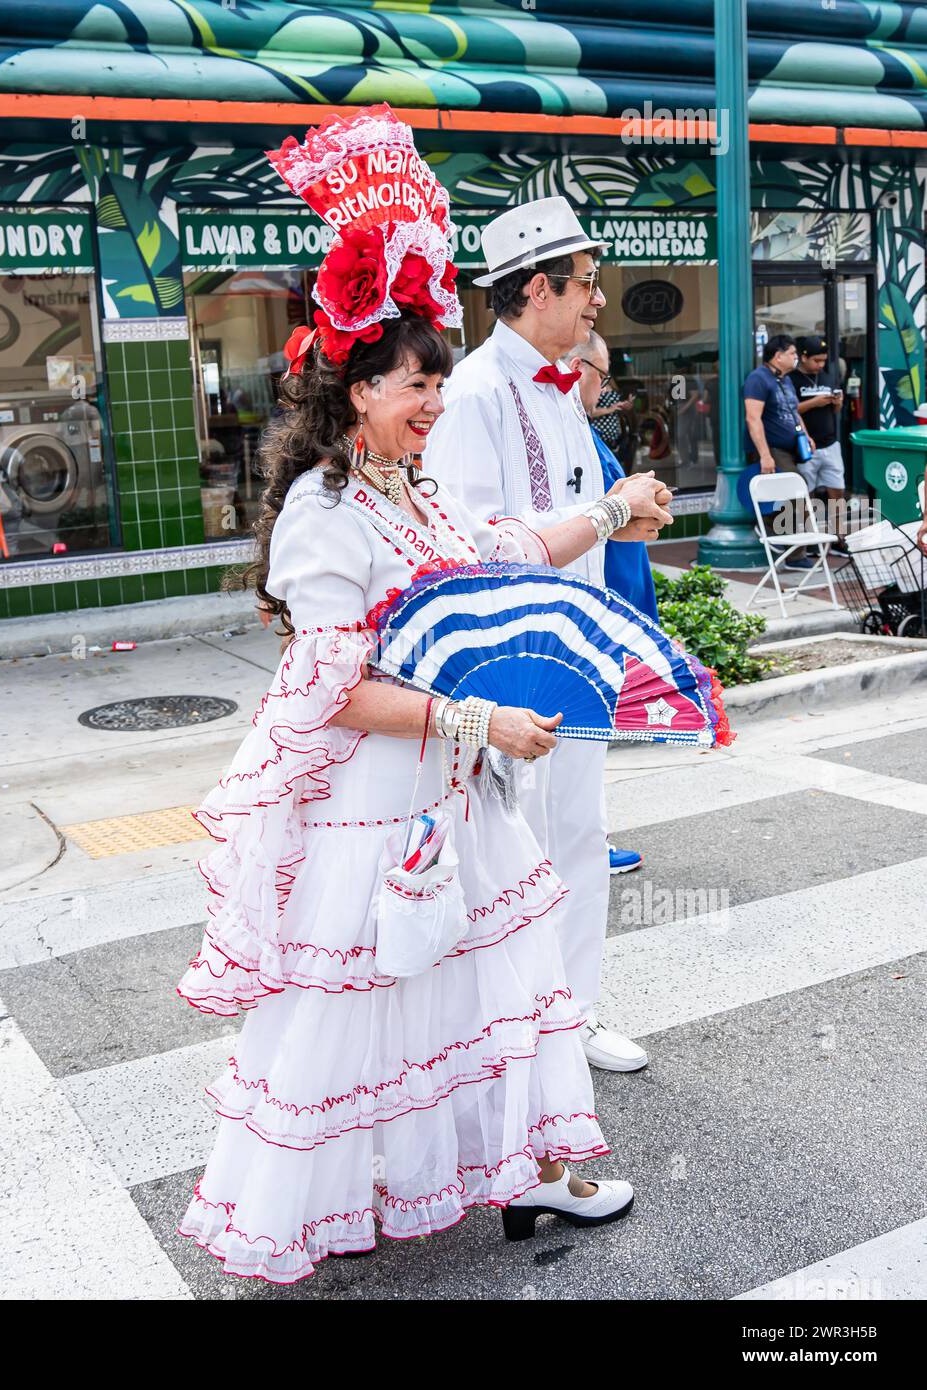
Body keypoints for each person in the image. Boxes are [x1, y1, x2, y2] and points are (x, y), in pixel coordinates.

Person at [175, 106, 671, 1285]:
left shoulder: (410, 493)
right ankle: (324, 1204)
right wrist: (478, 719)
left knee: (506, 977)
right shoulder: (325, 515)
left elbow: (502, 551)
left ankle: (530, 1173)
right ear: (352, 392)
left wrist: (604, 513)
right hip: (380, 801)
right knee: (356, 1012)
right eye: (413, 388)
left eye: (440, 385)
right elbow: (337, 694)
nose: (433, 405)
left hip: (459, 792)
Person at [424, 195, 673, 1074]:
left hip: (579, 657)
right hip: (509, 669)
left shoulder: (564, 389)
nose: (597, 300)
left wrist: (624, 522)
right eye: (586, 284)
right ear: (537, 289)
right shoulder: (472, 395)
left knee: (578, 834)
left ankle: (572, 1014)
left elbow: (573, 517)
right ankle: (511, 1032)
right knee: (512, 849)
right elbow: (473, 543)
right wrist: (609, 509)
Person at [571, 329, 659, 879]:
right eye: (602, 376)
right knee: (584, 734)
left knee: (590, 735)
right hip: (602, 592)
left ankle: (588, 840)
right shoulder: (567, 429)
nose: (605, 390)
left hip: (615, 583)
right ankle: (587, 844)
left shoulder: (578, 429)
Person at [743, 334, 816, 567]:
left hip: (792, 446)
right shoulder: (758, 379)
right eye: (793, 354)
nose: (796, 358)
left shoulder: (785, 379)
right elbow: (753, 418)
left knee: (797, 495)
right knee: (798, 493)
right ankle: (789, 547)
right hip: (773, 448)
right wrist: (765, 454)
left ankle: (787, 540)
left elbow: (793, 411)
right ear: (778, 356)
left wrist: (806, 435)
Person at [789, 334, 847, 549]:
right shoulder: (792, 380)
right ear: (804, 357)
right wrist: (813, 402)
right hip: (805, 445)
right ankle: (811, 539)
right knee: (807, 494)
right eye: (816, 360)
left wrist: (837, 402)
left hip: (830, 442)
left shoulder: (828, 376)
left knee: (837, 490)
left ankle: (840, 537)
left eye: (823, 360)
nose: (820, 365)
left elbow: (836, 411)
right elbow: (791, 410)